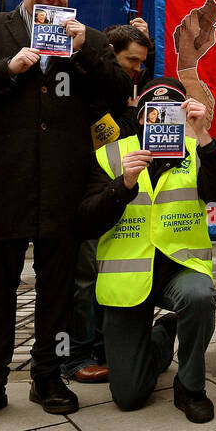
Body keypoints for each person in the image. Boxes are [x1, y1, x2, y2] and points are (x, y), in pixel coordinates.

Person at [0, 0, 123, 431]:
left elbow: (122, 92)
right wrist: (9, 67)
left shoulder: (91, 39)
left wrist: (84, 53)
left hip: (65, 186)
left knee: (57, 292)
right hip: (3, 182)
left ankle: (48, 376)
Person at [77, 77, 216, 421]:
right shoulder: (110, 156)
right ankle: (164, 335)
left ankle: (190, 387)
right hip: (128, 280)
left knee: (199, 296)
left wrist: (204, 135)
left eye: (173, 112)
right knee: (128, 396)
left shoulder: (195, 151)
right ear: (140, 117)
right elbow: (86, 222)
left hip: (180, 268)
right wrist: (123, 185)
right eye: (154, 111)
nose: (162, 120)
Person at [63, 20, 154, 384]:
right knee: (83, 278)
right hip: (84, 194)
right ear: (109, 56)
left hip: (117, 195)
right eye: (131, 61)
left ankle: (103, 347)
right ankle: (76, 356)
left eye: (142, 63)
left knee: (104, 274)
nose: (137, 69)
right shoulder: (89, 85)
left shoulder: (127, 92)